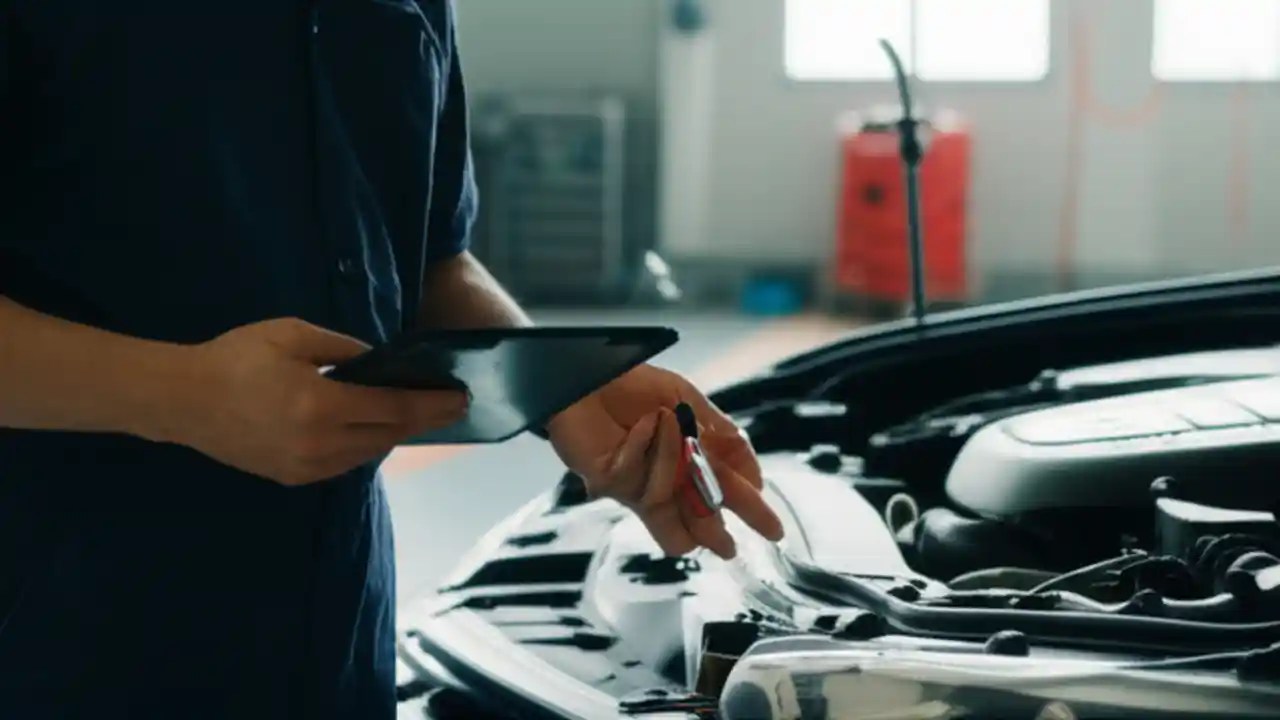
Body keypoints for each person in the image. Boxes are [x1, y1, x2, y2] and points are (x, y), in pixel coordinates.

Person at [0, 3, 782, 718]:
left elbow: (430, 261)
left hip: (335, 641)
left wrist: (556, 386)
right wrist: (177, 395)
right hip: (69, 643)